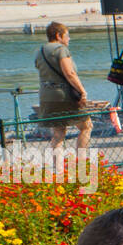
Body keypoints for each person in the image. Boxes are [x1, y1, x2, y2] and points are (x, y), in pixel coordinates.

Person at [35, 22, 94, 152]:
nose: (69, 38)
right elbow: (70, 73)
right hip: (64, 96)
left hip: (46, 96)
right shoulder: (61, 50)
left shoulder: (40, 51)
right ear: (58, 35)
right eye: (67, 35)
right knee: (86, 126)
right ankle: (81, 164)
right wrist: (83, 92)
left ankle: (59, 169)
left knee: (58, 133)